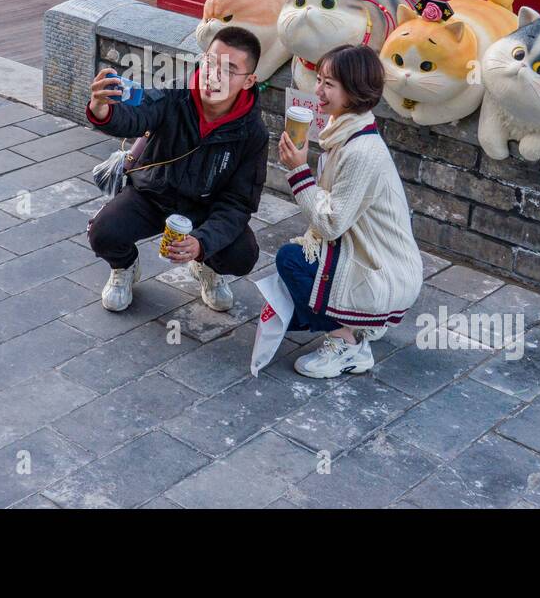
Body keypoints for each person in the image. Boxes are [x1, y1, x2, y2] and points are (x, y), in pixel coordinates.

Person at [85, 27, 270, 314]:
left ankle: (207, 268)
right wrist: (101, 110)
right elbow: (137, 115)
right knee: (103, 232)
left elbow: (239, 203)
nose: (213, 75)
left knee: (242, 254)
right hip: (152, 194)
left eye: (229, 70)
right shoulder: (174, 94)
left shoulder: (253, 132)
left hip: (203, 210)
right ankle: (124, 267)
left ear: (249, 81)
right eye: (211, 62)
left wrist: (202, 243)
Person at [276, 44, 423, 378]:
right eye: (320, 79)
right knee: (298, 271)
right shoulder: (346, 132)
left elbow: (330, 224)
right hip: (380, 259)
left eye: (329, 84)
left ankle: (349, 344)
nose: (318, 90)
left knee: (291, 261)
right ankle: (362, 325)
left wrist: (299, 173)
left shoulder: (361, 151)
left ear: (354, 93)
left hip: (384, 271)